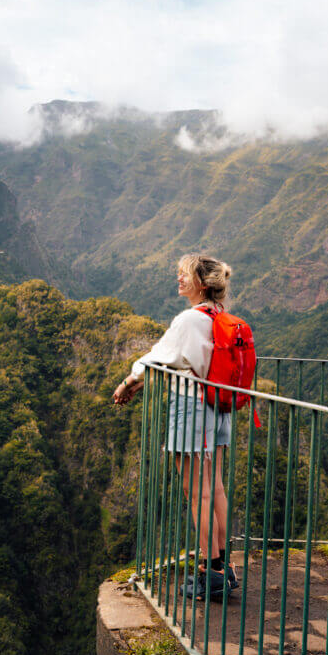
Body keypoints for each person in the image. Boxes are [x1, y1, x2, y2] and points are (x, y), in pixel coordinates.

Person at [112, 253, 235, 597]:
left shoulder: (188, 320)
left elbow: (155, 357)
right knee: (216, 488)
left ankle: (209, 574)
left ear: (201, 283)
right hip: (219, 406)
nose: (178, 280)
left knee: (197, 492)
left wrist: (128, 383)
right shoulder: (219, 315)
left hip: (192, 406)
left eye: (183, 275)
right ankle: (225, 566)